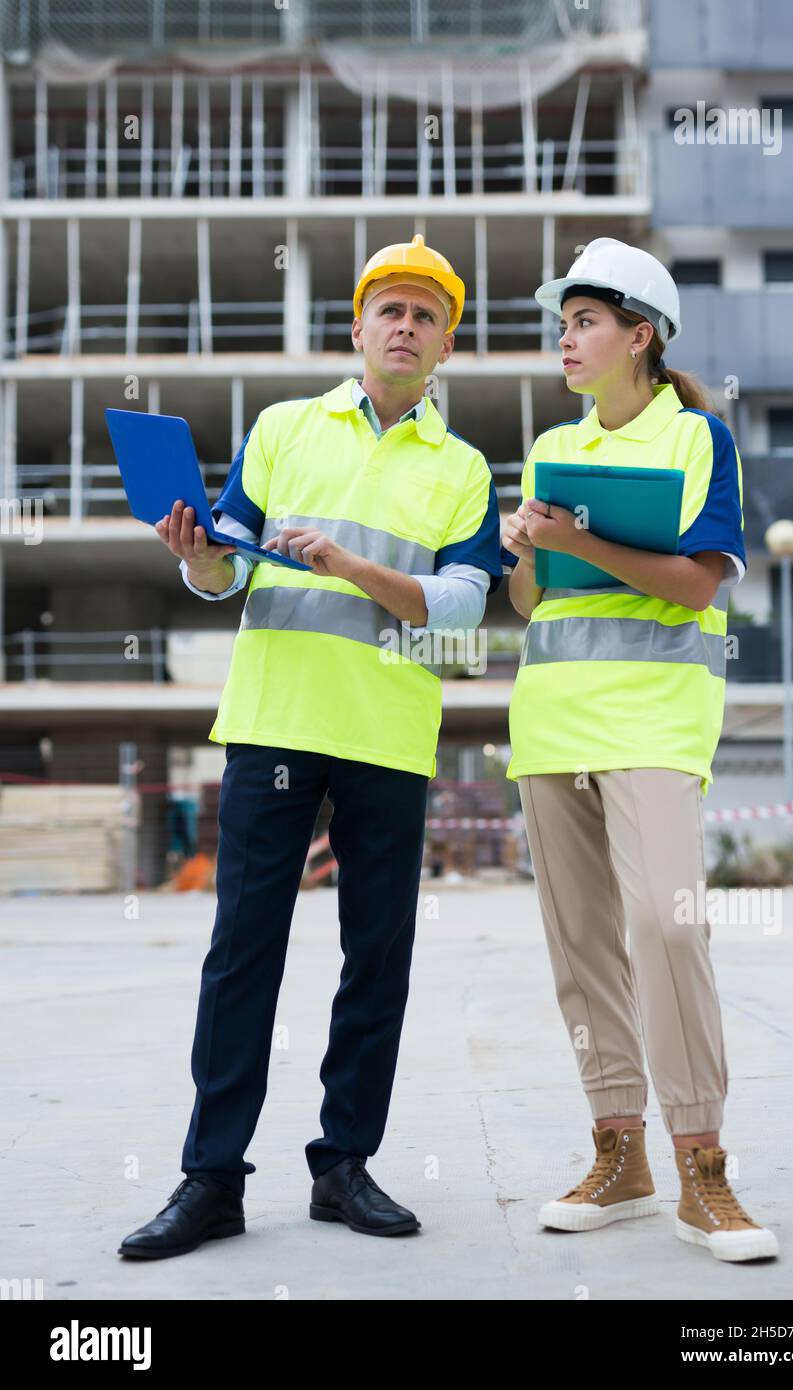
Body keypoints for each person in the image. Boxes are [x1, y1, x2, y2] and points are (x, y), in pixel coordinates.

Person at [118, 234, 503, 1259]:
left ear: (444, 346)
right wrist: (199, 556)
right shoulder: (283, 429)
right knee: (243, 953)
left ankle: (342, 1166)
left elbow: (462, 610)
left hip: (385, 735)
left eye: (427, 316)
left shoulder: (462, 469)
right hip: (274, 723)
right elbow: (227, 574)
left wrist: (345, 564)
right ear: (357, 327)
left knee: (374, 956)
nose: (406, 327)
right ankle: (212, 1179)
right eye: (391, 310)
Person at [501, 238, 778, 1263]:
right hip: (550, 719)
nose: (565, 339)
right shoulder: (549, 446)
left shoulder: (696, 439)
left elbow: (699, 584)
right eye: (561, 323)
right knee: (580, 947)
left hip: (654, 719)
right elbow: (530, 604)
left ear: (639, 335)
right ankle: (617, 1152)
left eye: (584, 322)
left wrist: (582, 543)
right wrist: (527, 555)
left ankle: (702, 1168)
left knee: (665, 926)